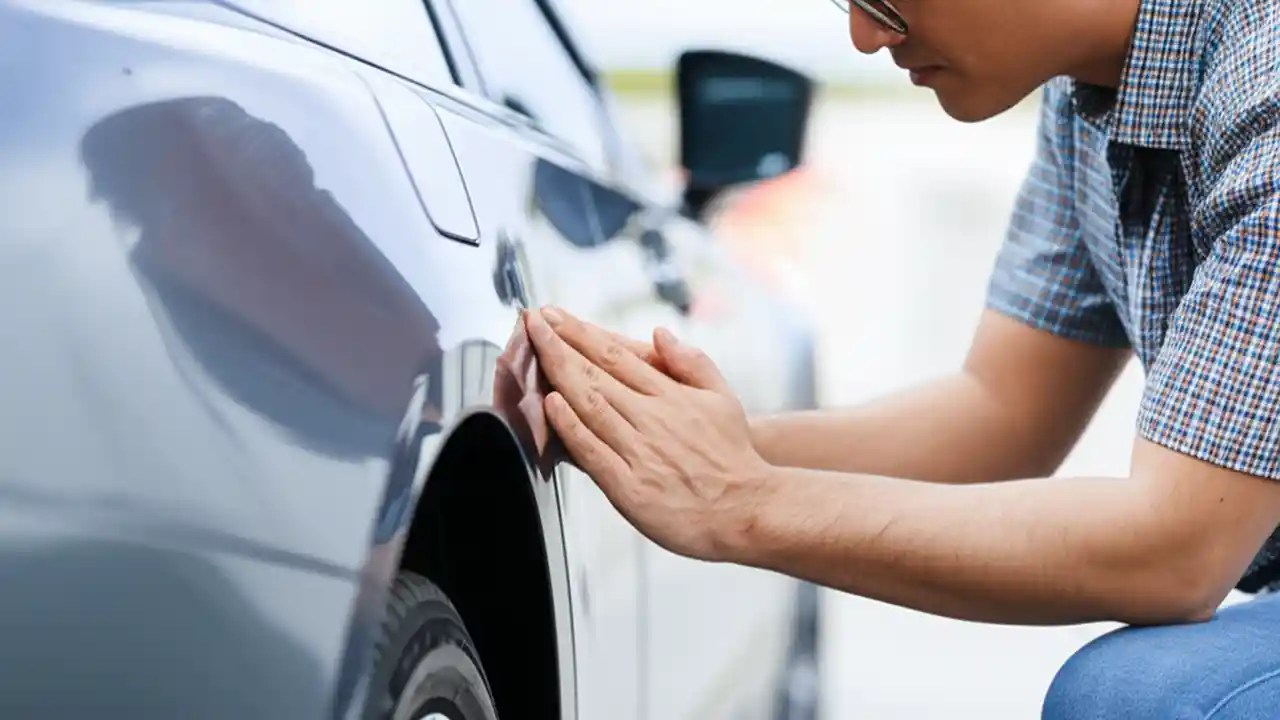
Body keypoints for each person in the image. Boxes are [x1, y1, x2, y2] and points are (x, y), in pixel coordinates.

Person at [521, 0, 1280, 716]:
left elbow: (1175, 551)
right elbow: (998, 413)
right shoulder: (1087, 96)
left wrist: (744, 504)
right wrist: (677, 438)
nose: (863, 35)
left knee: (1137, 699)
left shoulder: (1265, 83)